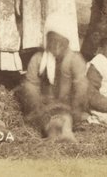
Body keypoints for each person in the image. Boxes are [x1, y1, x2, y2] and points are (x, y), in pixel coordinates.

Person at [18, 12, 88, 141]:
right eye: (52, 41)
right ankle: (53, 133)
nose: (56, 46)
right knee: (47, 120)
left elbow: (81, 85)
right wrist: (36, 105)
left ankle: (66, 132)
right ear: (46, 40)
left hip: (67, 105)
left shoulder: (74, 59)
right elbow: (30, 84)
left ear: (68, 41)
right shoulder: (38, 58)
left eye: (61, 42)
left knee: (66, 117)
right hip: (43, 105)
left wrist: (77, 108)